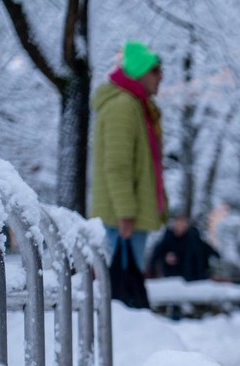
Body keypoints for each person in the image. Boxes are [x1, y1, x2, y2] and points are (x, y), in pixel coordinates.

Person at [90, 40, 167, 285]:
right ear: (139, 72)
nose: (160, 77)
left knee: (123, 289)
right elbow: (117, 165)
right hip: (120, 221)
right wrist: (125, 214)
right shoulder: (123, 106)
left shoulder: (135, 106)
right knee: (120, 293)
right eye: (155, 70)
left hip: (126, 217)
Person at [148, 208, 220, 281]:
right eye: (178, 223)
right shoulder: (168, 238)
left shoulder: (193, 238)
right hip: (172, 277)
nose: (180, 225)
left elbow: (206, 250)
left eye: (182, 223)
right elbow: (157, 254)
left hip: (194, 278)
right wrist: (165, 258)